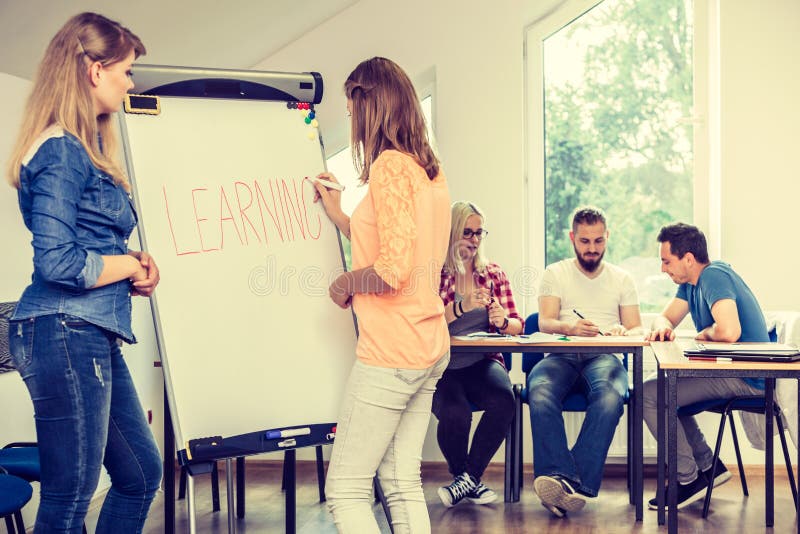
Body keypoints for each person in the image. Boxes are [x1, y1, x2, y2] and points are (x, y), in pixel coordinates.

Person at [5, 12, 162, 534]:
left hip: (88, 331)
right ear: (94, 71)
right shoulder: (59, 150)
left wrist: (134, 265)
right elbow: (58, 261)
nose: (131, 83)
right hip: (63, 332)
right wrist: (130, 263)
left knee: (141, 474)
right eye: (126, 72)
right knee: (70, 498)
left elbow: (89, 243)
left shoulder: (82, 149)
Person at [312, 57, 451, 533]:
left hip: (392, 350)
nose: (351, 122)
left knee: (346, 490)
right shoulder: (428, 170)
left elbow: (392, 269)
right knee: (400, 479)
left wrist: (346, 283)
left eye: (352, 110)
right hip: (427, 344)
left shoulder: (391, 167)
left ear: (370, 106)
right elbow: (398, 245)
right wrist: (341, 216)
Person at [643, 222, 769, 510]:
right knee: (663, 388)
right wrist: (663, 327)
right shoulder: (690, 285)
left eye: (666, 261)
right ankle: (708, 467)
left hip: (748, 376)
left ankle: (687, 479)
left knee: (650, 395)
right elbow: (665, 318)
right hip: (730, 370)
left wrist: (706, 333)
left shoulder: (714, 275)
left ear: (688, 259)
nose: (663, 269)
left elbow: (729, 332)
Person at [528, 206, 642, 517]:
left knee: (610, 397)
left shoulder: (622, 278)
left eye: (598, 241)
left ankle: (563, 482)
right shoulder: (555, 273)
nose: (592, 249)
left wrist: (621, 331)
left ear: (608, 237)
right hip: (561, 353)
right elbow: (545, 322)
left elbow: (636, 328)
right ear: (572, 238)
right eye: (584, 241)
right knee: (539, 391)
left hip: (604, 355)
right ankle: (566, 481)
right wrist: (570, 327)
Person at [433, 201, 522, 507]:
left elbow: (517, 325)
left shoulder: (493, 273)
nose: (473, 239)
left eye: (478, 232)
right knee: (455, 413)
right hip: (442, 365)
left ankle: (465, 480)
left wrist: (502, 321)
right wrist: (463, 305)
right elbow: (425, 323)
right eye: (466, 232)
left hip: (482, 361)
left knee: (504, 400)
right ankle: (466, 478)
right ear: (452, 233)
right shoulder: (436, 273)